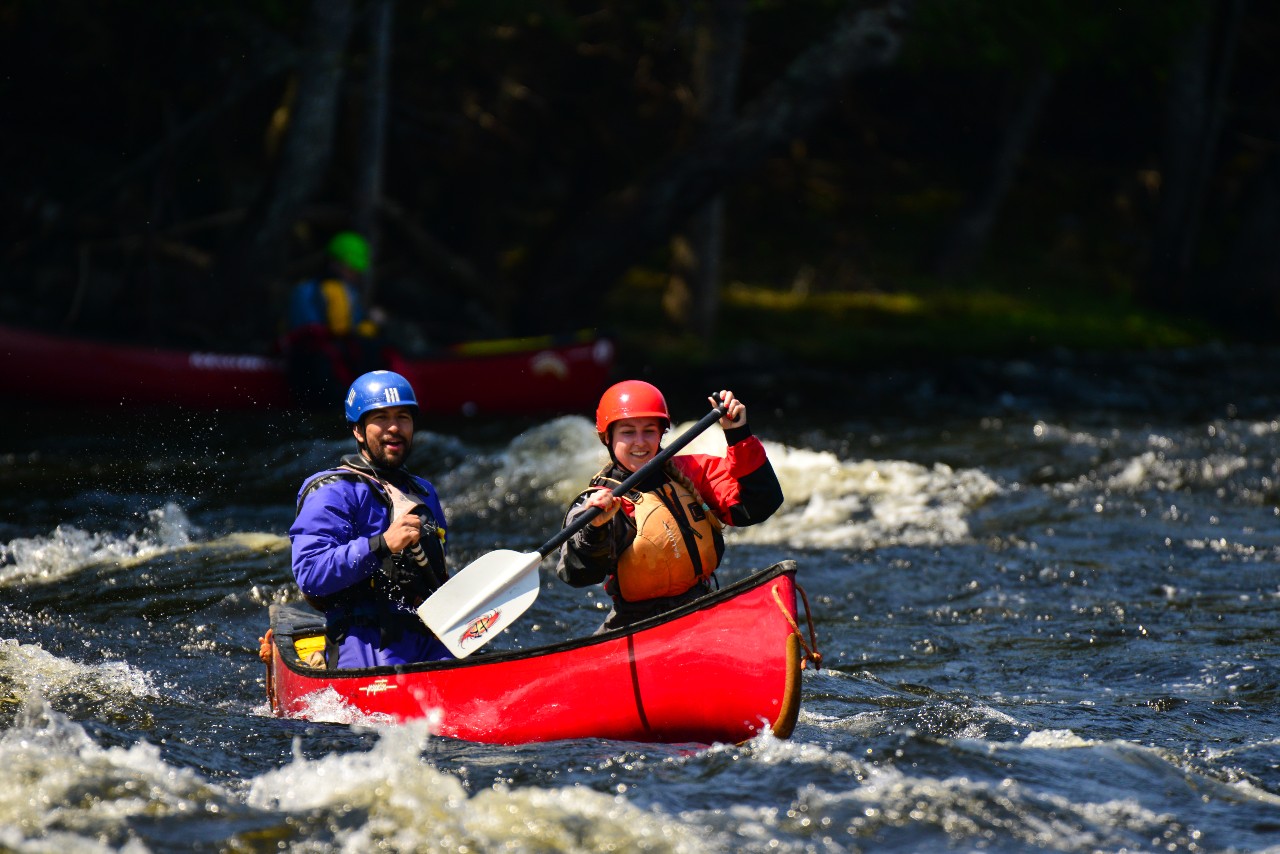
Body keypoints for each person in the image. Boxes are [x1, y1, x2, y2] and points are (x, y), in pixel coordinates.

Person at [556, 380, 784, 632]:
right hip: (637, 624)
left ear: (662, 433)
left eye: (650, 431)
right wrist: (595, 528)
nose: (640, 442)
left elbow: (759, 504)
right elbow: (578, 574)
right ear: (608, 437)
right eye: (628, 432)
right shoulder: (599, 501)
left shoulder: (691, 473)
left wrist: (738, 433)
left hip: (700, 606)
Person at [288, 370, 453, 668]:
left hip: (428, 636)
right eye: (381, 418)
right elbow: (310, 574)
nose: (394, 428)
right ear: (358, 430)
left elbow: (439, 579)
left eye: (403, 417)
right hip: (362, 639)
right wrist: (382, 545)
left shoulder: (424, 492)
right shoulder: (331, 491)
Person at [283, 231, 393, 407]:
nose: (354, 274)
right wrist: (372, 325)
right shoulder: (319, 290)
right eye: (350, 268)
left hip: (316, 363)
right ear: (335, 264)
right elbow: (338, 332)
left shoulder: (338, 291)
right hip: (317, 367)